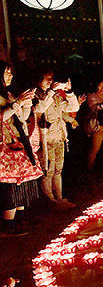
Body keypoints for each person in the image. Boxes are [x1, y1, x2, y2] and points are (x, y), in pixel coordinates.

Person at [0, 62, 40, 236]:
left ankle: (21, 217)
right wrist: (17, 103)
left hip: (18, 142)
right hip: (5, 144)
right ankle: (8, 224)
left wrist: (25, 103)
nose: (10, 76)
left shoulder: (8, 93)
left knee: (22, 181)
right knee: (10, 185)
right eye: (6, 73)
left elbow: (21, 118)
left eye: (11, 73)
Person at [33, 70, 82, 209]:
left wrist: (69, 92)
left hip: (60, 138)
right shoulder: (35, 95)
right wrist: (51, 92)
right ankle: (50, 200)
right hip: (45, 139)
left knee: (58, 170)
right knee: (47, 171)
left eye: (51, 79)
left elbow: (72, 107)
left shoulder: (54, 96)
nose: (49, 81)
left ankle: (59, 198)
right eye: (46, 79)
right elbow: (39, 108)